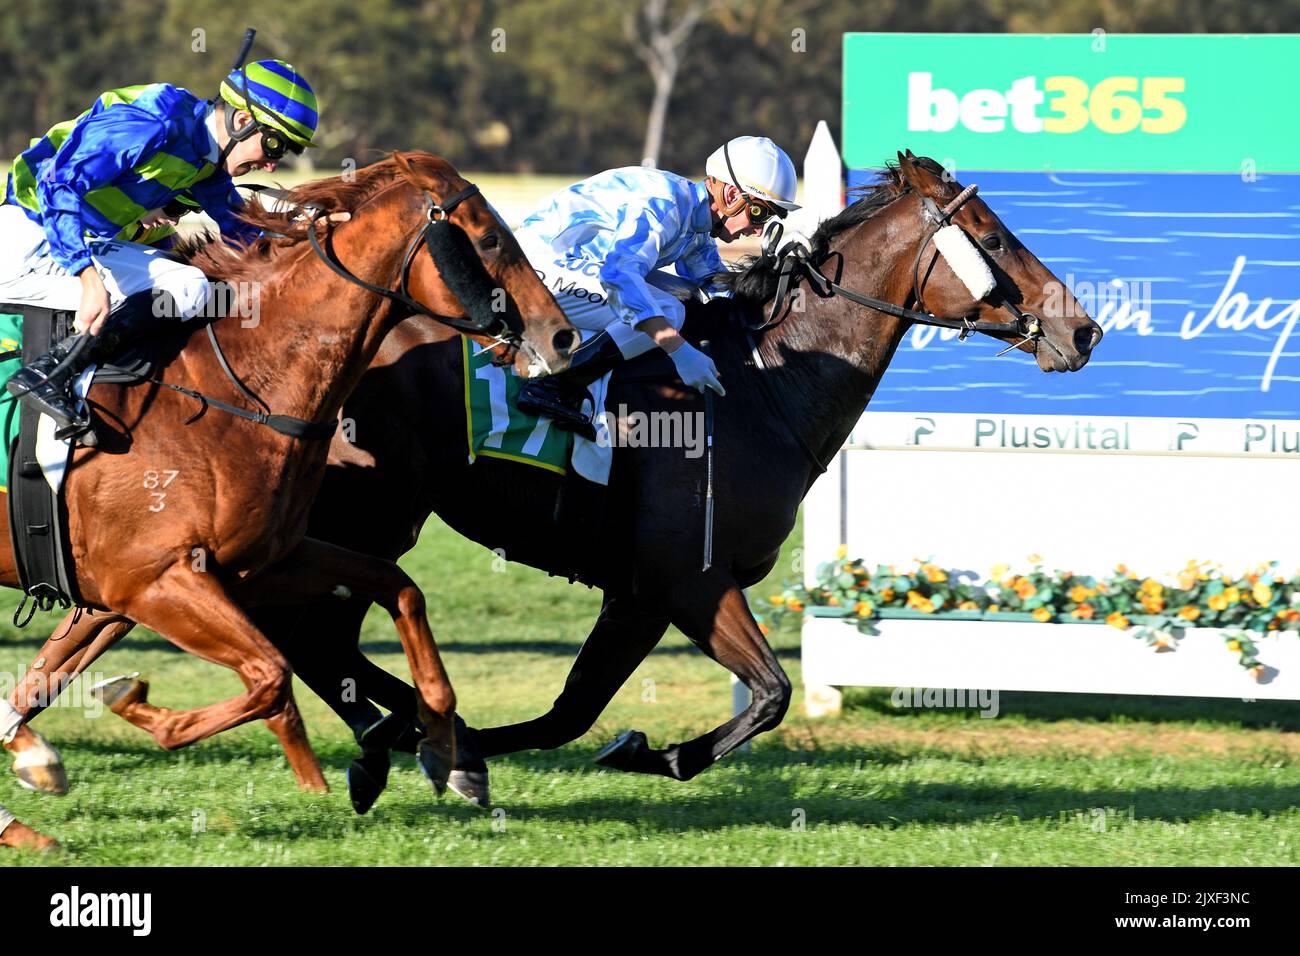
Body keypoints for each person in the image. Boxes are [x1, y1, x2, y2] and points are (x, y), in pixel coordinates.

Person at [0, 59, 320, 438]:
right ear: (241, 120)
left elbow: (241, 230)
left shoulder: (204, 159)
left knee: (186, 279)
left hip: (72, 243)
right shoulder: (154, 122)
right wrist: (87, 278)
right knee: (185, 286)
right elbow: (58, 186)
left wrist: (313, 234)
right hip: (26, 241)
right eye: (274, 145)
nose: (271, 165)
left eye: (284, 154)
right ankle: (49, 373)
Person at [514, 135, 800, 439]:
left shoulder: (696, 227)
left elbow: (717, 289)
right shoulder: (666, 205)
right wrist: (679, 351)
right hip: (533, 268)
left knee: (685, 296)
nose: (758, 228)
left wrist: (779, 294)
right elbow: (618, 276)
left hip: (573, 266)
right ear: (731, 196)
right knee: (668, 309)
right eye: (760, 213)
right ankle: (553, 386)